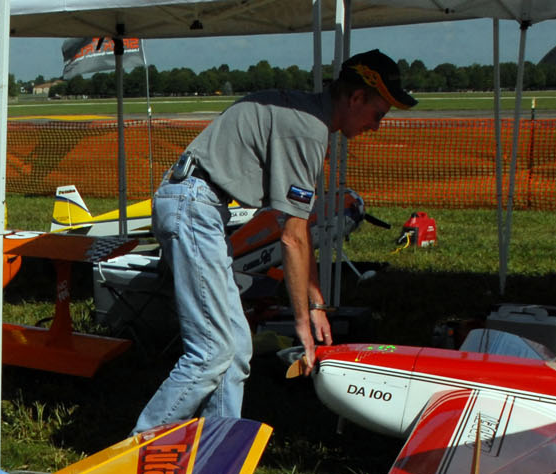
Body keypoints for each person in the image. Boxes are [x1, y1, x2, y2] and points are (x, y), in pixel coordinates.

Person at [133, 50, 413, 435]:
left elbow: (300, 230)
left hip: (199, 205)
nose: (376, 126)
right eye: (377, 114)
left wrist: (316, 304)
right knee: (211, 351)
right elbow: (292, 238)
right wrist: (302, 322)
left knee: (235, 350)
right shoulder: (309, 129)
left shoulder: (308, 118)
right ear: (356, 97)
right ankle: (137, 448)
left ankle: (217, 452)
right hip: (193, 205)